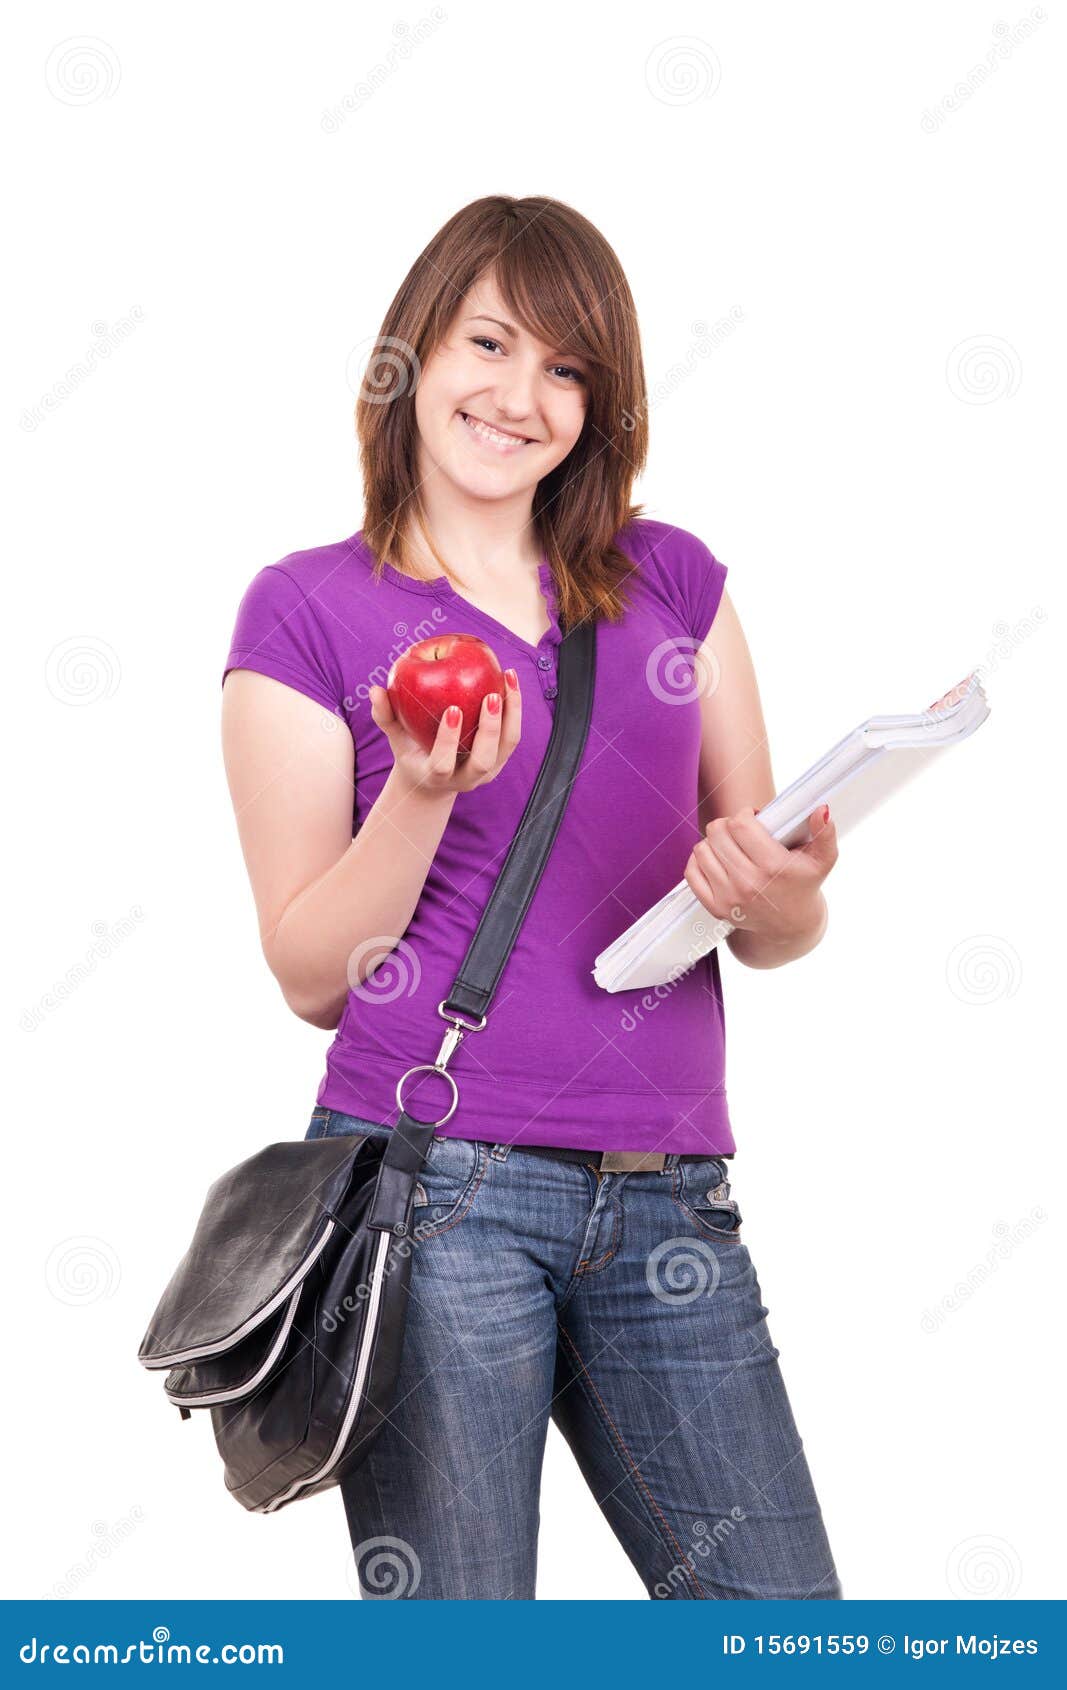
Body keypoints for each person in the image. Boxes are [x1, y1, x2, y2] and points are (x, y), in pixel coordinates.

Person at [221, 195, 841, 1601]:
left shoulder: (671, 580)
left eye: (567, 369)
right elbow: (310, 967)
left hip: (671, 1193)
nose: (520, 396)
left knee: (791, 1633)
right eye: (488, 344)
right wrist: (423, 794)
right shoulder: (307, 609)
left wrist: (784, 890)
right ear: (414, 356)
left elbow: (776, 914)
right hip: (437, 1197)